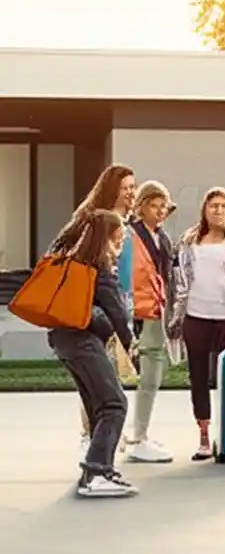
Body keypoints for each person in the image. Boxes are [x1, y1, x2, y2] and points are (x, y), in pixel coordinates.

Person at [47, 209, 139, 497]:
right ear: (106, 238)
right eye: (119, 237)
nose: (121, 243)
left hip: (64, 340)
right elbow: (118, 314)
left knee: (99, 406)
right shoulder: (100, 268)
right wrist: (132, 349)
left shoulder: (75, 263)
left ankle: (95, 471)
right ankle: (99, 472)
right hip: (83, 342)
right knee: (114, 404)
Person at [52, 164, 137, 457]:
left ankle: (101, 443)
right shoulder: (91, 221)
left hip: (109, 309)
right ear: (111, 189)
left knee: (106, 383)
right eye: (125, 187)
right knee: (103, 387)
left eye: (132, 187)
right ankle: (92, 442)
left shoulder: (123, 222)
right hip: (88, 316)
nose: (131, 193)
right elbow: (60, 255)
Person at [168, 187, 225, 460]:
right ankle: (204, 436)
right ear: (204, 210)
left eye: (223, 206)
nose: (217, 210)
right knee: (199, 377)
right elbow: (179, 279)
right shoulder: (190, 240)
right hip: (195, 316)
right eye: (213, 205)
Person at [121, 180, 176, 464]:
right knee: (117, 375)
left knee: (152, 375)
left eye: (162, 206)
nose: (158, 211)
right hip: (130, 313)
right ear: (141, 207)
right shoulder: (129, 235)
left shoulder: (162, 238)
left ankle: (139, 434)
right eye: (153, 205)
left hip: (155, 313)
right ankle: (121, 437)